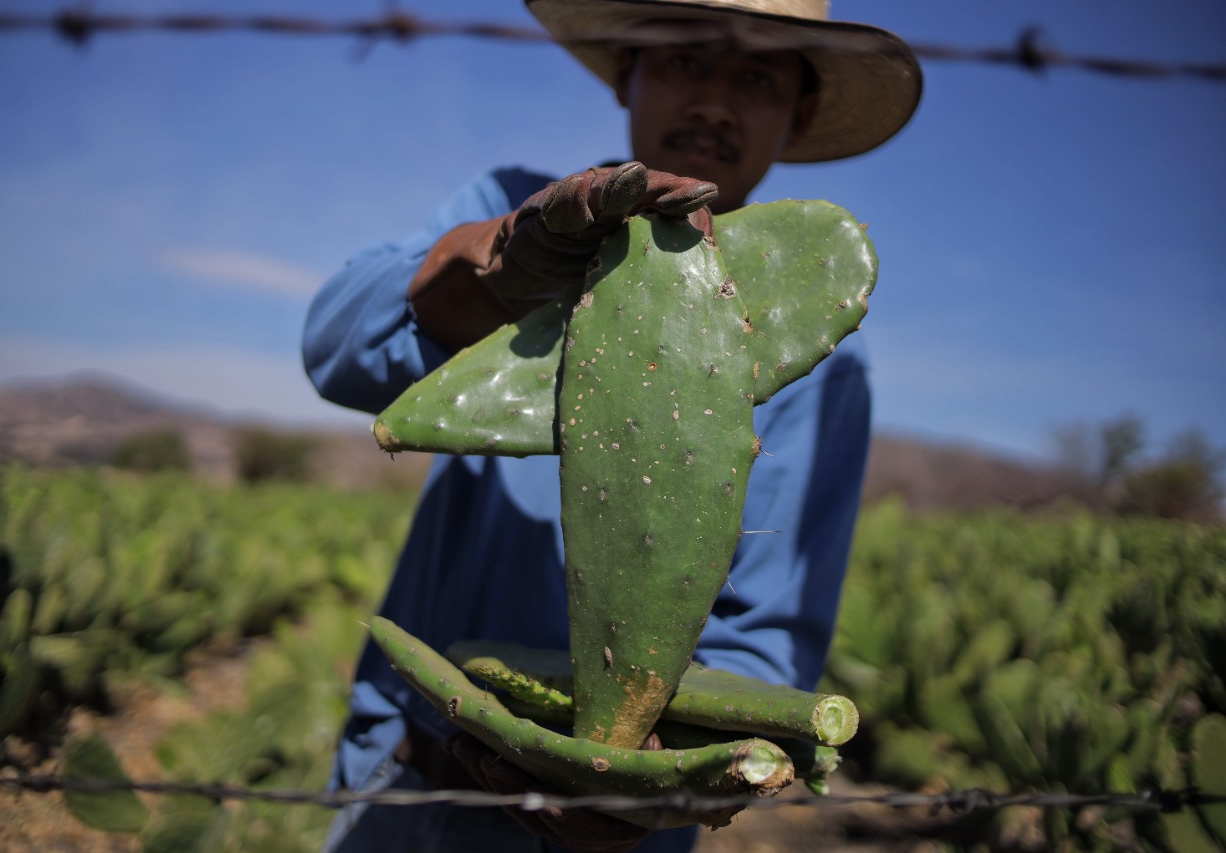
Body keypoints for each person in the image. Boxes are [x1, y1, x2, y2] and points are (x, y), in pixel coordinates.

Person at [302, 1, 921, 850]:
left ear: (799, 112)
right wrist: (494, 270)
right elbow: (336, 347)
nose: (713, 100)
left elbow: (762, 650)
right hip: (402, 787)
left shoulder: (817, 351)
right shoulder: (509, 209)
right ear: (629, 68)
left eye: (756, 76)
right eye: (682, 61)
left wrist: (655, 775)